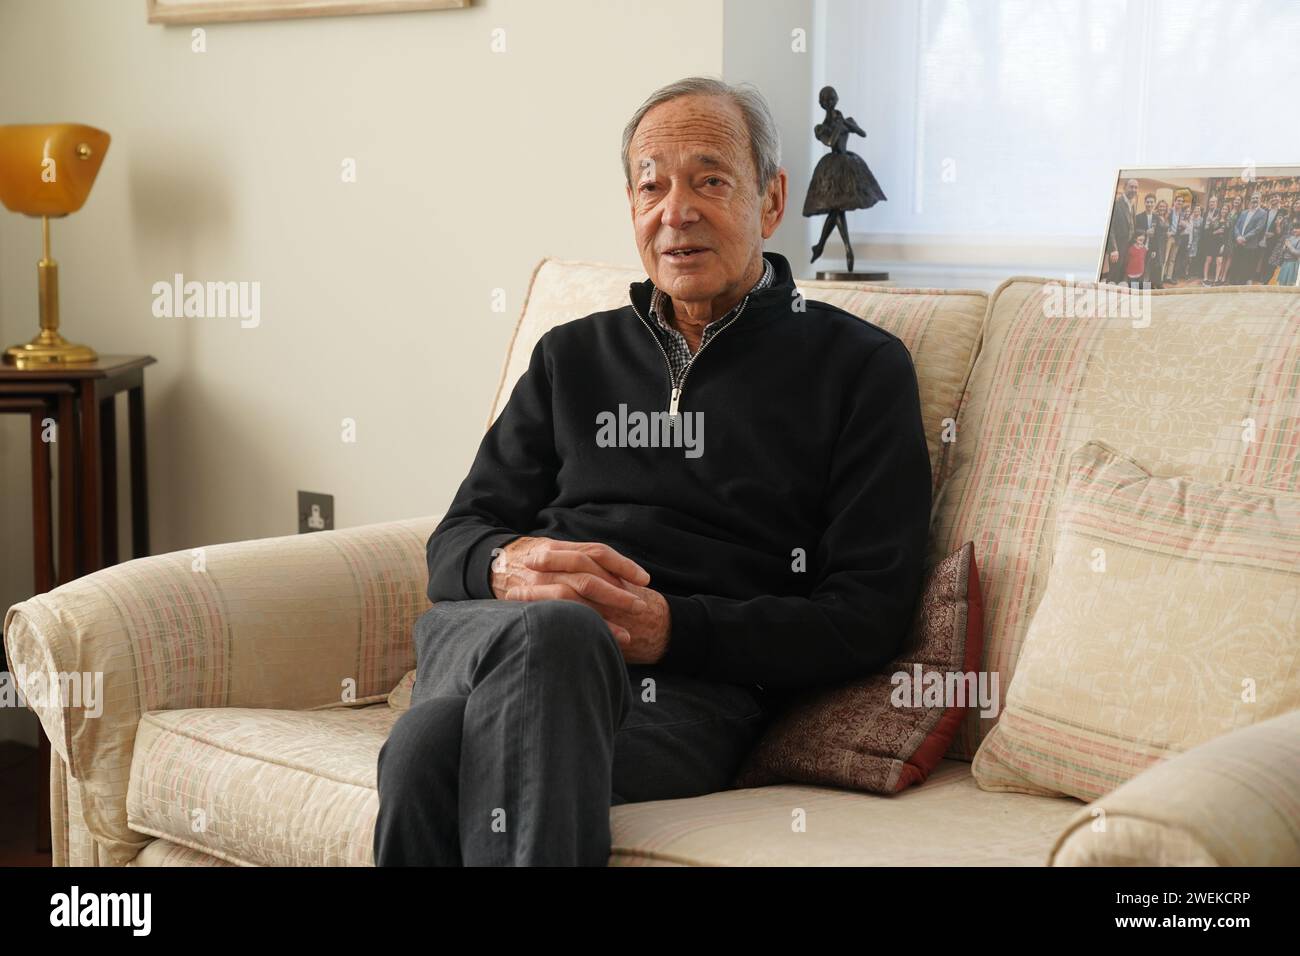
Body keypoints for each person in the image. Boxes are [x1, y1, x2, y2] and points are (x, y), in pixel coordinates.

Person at [372, 76, 932, 867]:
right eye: (651, 185)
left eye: (710, 180)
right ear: (631, 207)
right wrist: (506, 566)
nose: (677, 211)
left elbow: (867, 613)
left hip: (684, 698)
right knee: (550, 633)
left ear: (770, 201)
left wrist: (677, 627)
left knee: (430, 746)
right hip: (495, 640)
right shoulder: (571, 355)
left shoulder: (859, 368)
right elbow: (453, 544)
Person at [1228, 193, 1268, 284]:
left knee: (1245, 266)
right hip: (1238, 243)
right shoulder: (1244, 212)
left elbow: (1258, 229)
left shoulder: (1263, 213)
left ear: (1260, 200)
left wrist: (1244, 238)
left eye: (1257, 198)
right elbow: (1236, 226)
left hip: (1249, 244)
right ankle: (1232, 284)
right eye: (1253, 197)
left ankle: (1241, 285)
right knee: (1235, 264)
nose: (1254, 199)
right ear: (1250, 199)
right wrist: (1238, 236)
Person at [1106, 179, 1139, 284]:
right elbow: (1110, 228)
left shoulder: (1132, 204)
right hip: (1117, 248)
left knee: (1121, 274)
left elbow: (1131, 226)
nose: (1134, 189)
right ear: (1124, 188)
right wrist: (1113, 249)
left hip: (1127, 246)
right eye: (1131, 187)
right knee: (1113, 275)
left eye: (1136, 187)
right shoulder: (1116, 203)